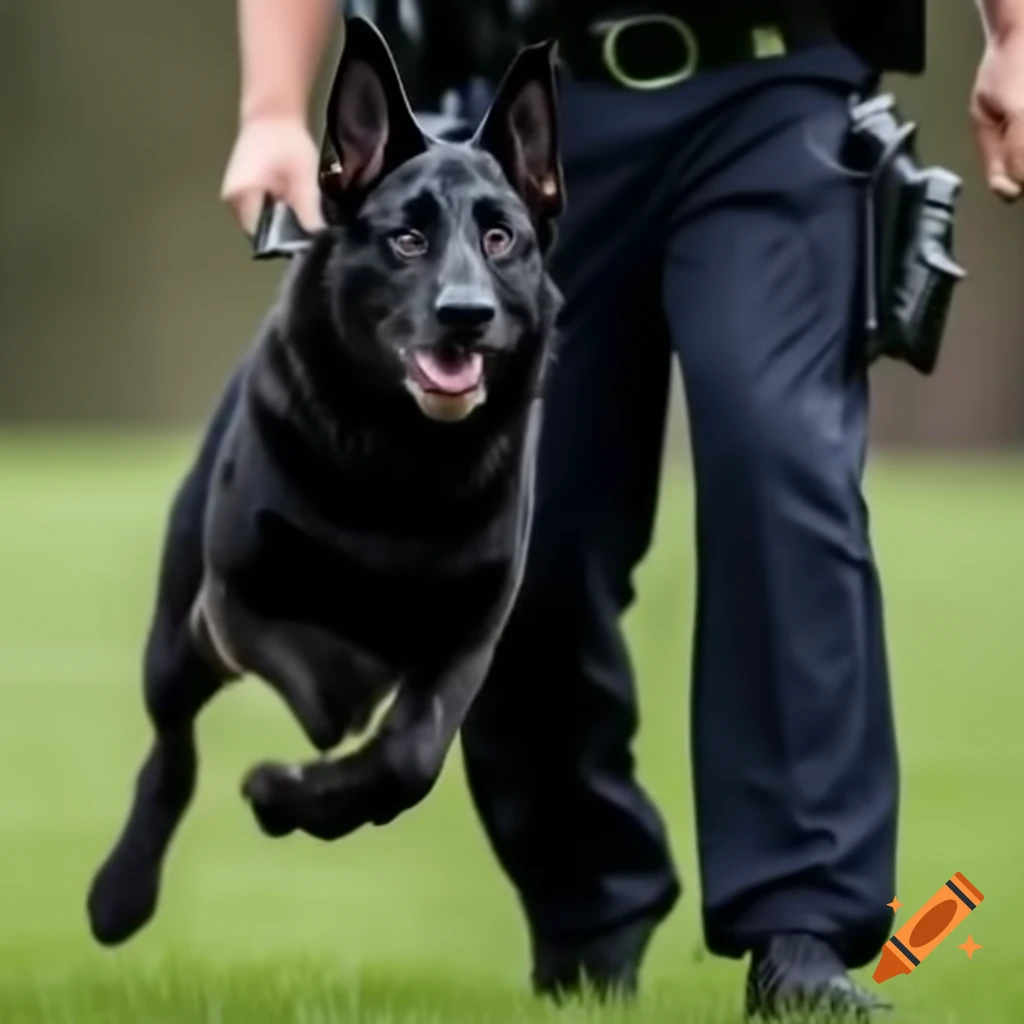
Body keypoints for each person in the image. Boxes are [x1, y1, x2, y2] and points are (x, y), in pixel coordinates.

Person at [219, 0, 1024, 1017]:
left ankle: (801, 931)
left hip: (776, 87)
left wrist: (1011, 31)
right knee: (528, 535)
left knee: (781, 462)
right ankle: (588, 897)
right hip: (531, 118)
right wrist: (272, 105)